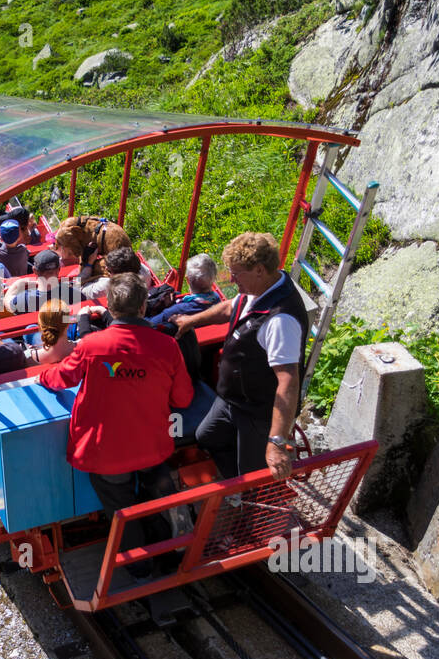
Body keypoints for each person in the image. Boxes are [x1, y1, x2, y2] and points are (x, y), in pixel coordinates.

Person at [38, 273, 194, 555]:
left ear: (109, 308)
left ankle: (138, 565)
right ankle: (175, 534)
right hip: (151, 443)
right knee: (155, 477)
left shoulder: (91, 346)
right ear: (144, 307)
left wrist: (44, 376)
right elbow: (183, 398)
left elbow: (62, 378)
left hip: (106, 451)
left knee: (120, 508)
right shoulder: (167, 347)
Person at [171, 233, 307, 481]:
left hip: (256, 410)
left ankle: (254, 506)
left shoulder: (280, 320)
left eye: (236, 274)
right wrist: (190, 321)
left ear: (258, 270)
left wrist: (276, 442)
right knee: (207, 437)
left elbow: (288, 382)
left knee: (255, 475)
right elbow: (229, 307)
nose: (232, 280)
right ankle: (237, 486)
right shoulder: (259, 290)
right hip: (231, 399)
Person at [147, 253, 222, 327]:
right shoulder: (219, 302)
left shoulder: (176, 311)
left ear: (187, 279)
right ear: (214, 277)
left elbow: (147, 325)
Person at [5, 249, 86, 313]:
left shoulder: (24, 299)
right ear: (59, 270)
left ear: (34, 270)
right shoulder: (74, 294)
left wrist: (20, 282)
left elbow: (7, 301)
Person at [80, 246, 154, 301]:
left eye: (109, 271)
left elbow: (78, 290)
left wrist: (89, 263)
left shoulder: (107, 285)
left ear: (120, 276)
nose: (105, 268)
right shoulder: (145, 271)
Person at [23, 299, 76, 365]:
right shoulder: (83, 347)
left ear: (41, 326)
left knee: (29, 329)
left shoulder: (27, 358)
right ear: (68, 324)